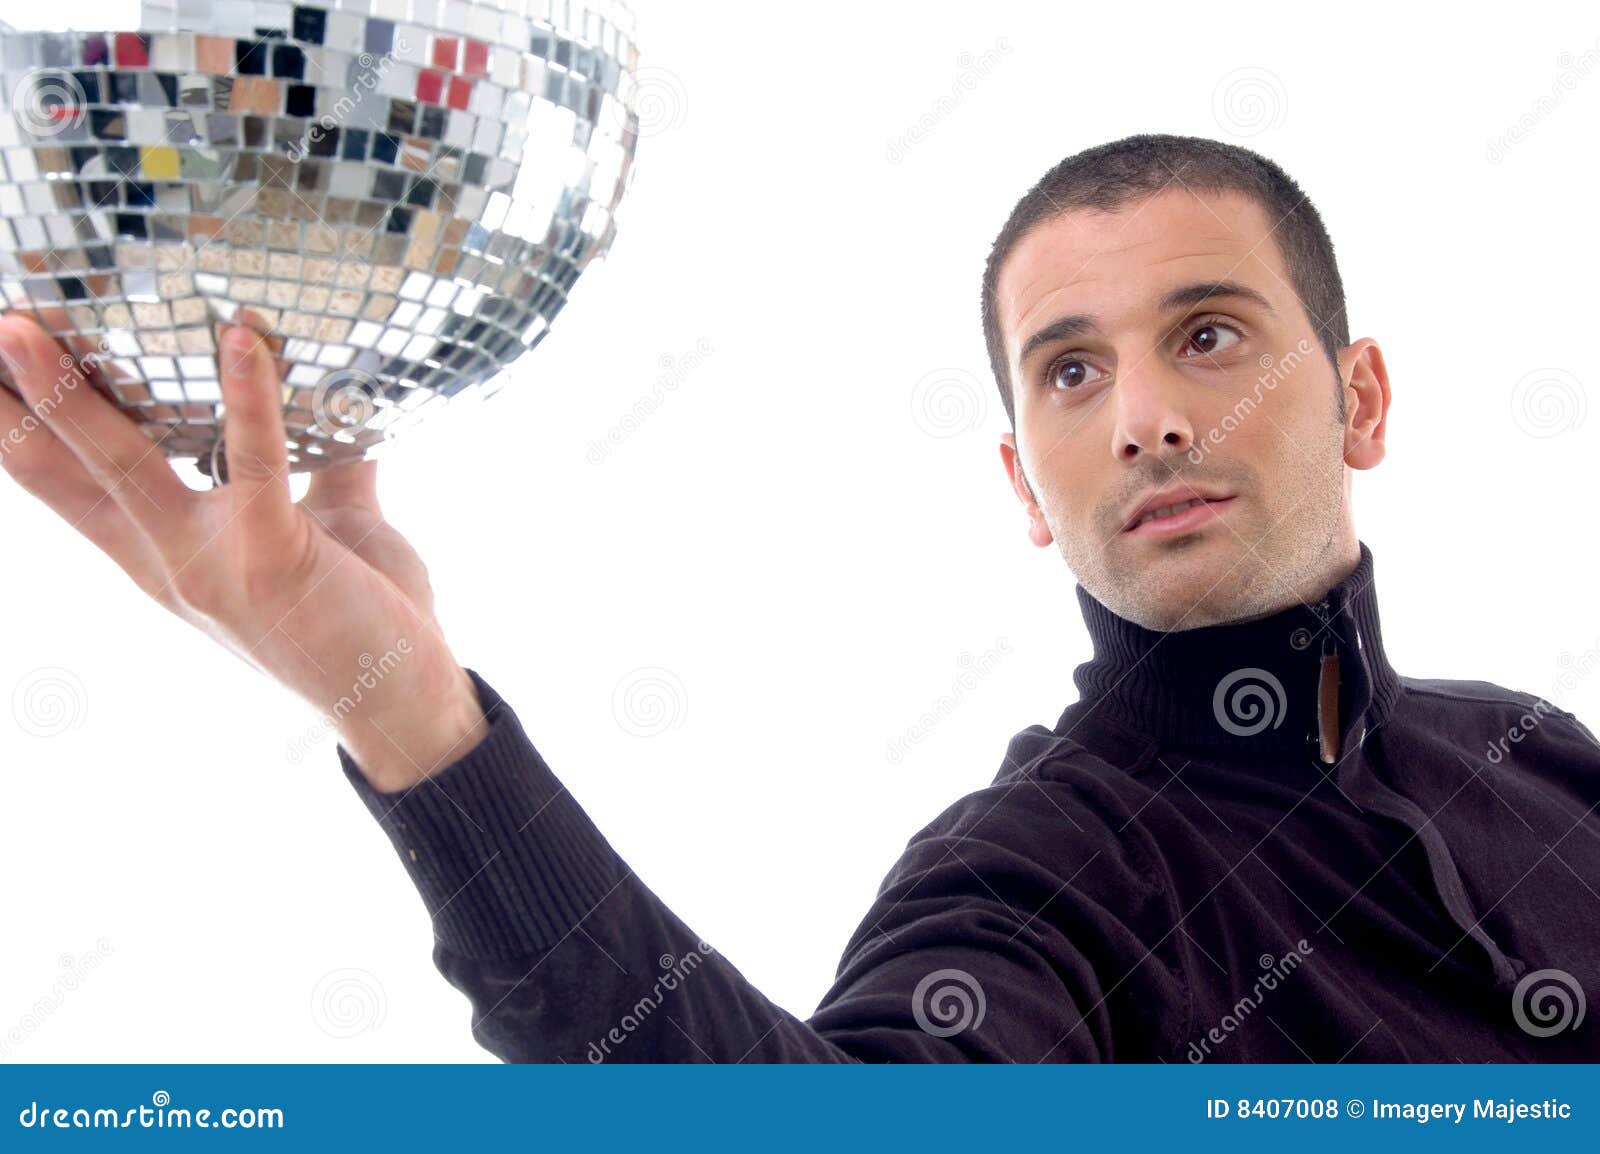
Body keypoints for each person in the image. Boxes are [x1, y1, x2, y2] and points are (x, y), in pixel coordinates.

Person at [2, 134, 1596, 1063]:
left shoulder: (1544, 761)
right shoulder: (1035, 883)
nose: (1142, 419)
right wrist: (412, 716)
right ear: (1023, 482)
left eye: (1210, 334)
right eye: (1071, 369)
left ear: (1363, 399)